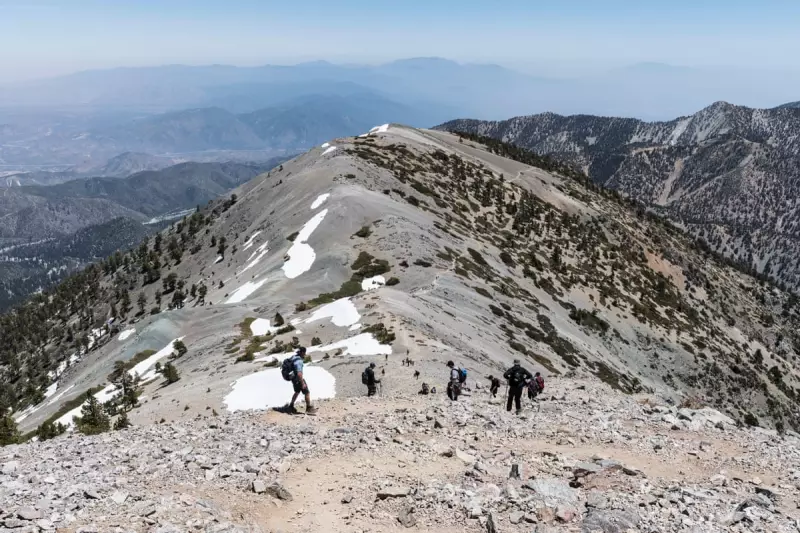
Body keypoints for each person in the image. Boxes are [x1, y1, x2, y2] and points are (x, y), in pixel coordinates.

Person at [287, 347, 317, 415]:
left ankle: (291, 406)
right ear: (303, 352)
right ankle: (309, 408)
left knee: (297, 391)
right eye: (304, 353)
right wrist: (302, 383)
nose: (305, 354)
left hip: (293, 378)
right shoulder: (299, 361)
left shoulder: (294, 357)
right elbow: (299, 373)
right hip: (298, 378)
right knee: (307, 392)